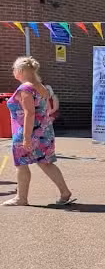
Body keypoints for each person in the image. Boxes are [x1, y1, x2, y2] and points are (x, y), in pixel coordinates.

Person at [3, 57, 73, 207]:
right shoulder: (41, 87)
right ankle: (64, 191)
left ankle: (21, 198)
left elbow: (29, 113)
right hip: (45, 131)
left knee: (21, 164)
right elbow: (46, 109)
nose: (13, 72)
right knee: (46, 163)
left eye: (14, 69)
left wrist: (27, 137)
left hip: (28, 131)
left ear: (20, 71)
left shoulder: (25, 89)